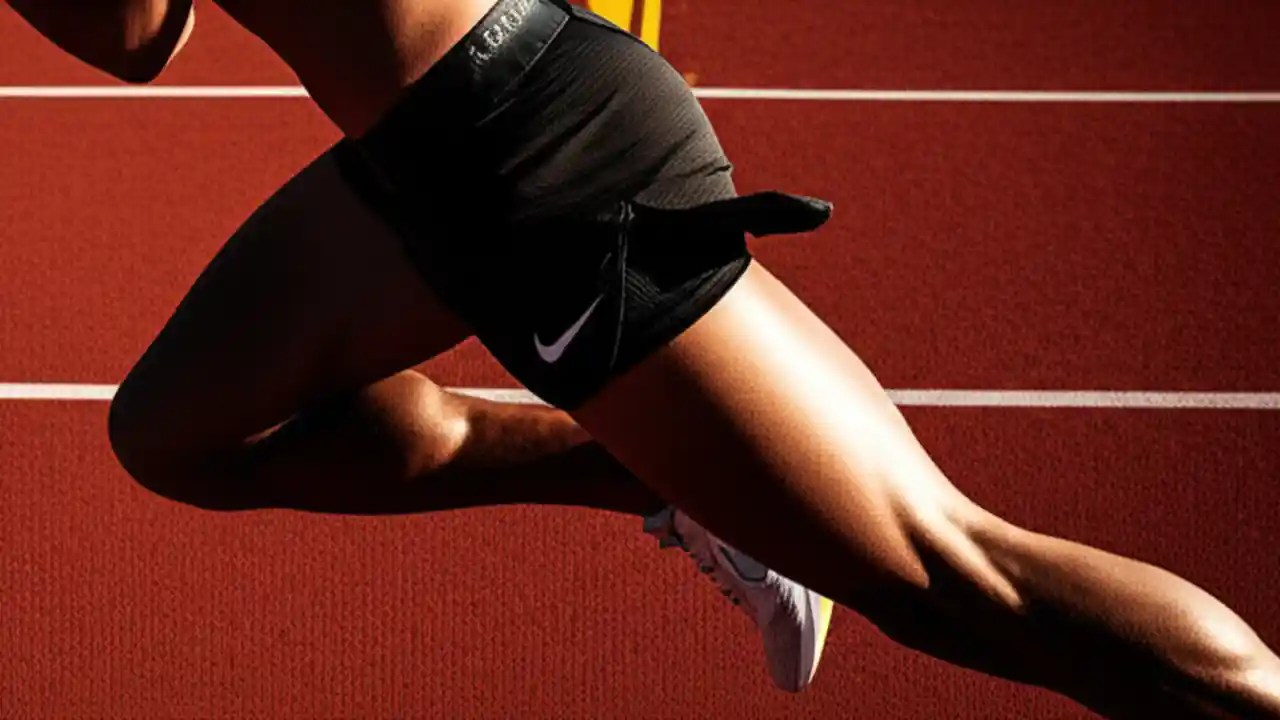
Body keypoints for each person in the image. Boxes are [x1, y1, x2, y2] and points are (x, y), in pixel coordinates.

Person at [8, 0, 1280, 715]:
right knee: (177, 429)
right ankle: (656, 476)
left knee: (951, 570)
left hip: (532, 156)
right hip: (439, 149)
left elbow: (133, 35)